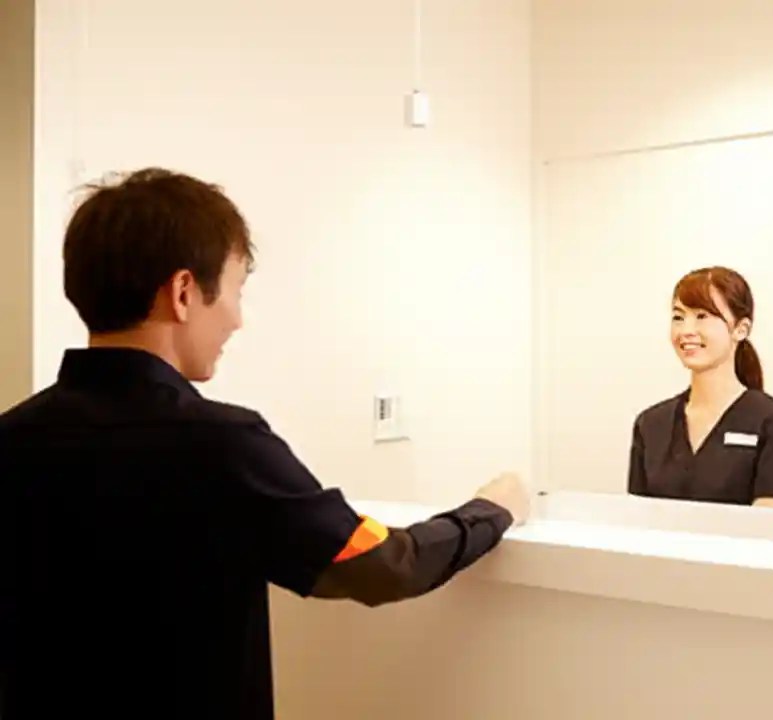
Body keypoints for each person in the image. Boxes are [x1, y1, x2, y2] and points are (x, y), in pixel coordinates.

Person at [0, 168, 531, 720]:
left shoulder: (12, 438)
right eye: (235, 291)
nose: (236, 320)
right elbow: (384, 565)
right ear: (183, 293)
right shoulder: (221, 445)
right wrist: (492, 509)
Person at [627, 266, 773, 507]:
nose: (686, 331)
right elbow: (636, 518)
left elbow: (767, 523)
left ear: (740, 329)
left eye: (702, 316)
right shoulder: (650, 424)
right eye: (678, 317)